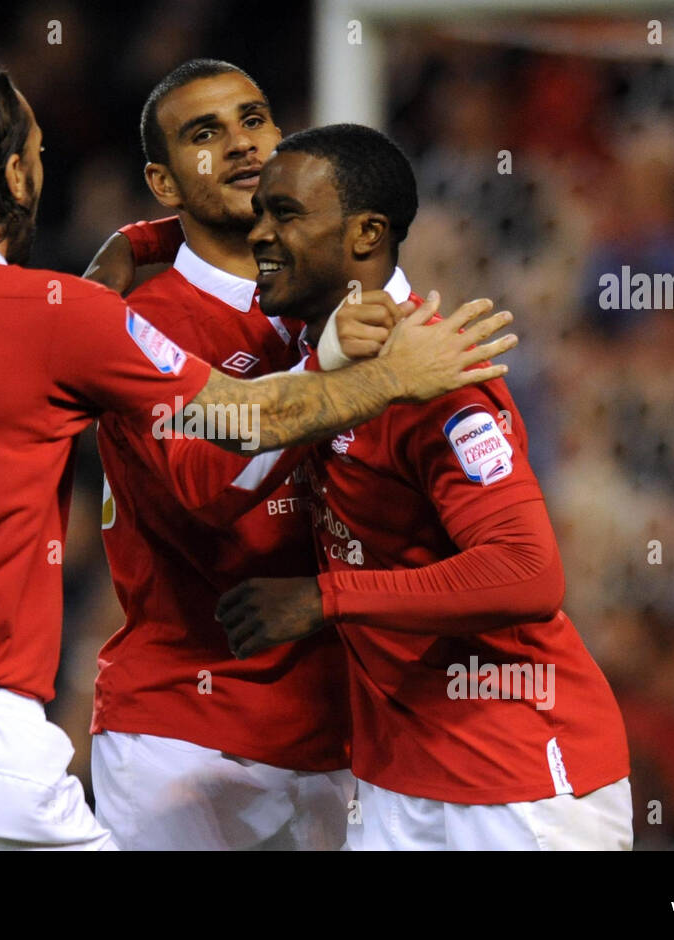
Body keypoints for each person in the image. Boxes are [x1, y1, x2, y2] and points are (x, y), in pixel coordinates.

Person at [0, 53, 518, 850]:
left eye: (254, 121)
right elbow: (245, 420)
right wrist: (389, 375)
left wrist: (139, 242)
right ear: (13, 175)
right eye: (38, 153)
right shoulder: (65, 313)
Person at [217, 124, 632, 850]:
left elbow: (529, 571)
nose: (260, 233)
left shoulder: (435, 378)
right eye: (260, 212)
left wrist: (327, 599)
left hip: (517, 783)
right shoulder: (324, 368)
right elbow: (215, 444)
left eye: (286, 214)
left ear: (366, 235)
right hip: (395, 784)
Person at [86, 59, 440, 850]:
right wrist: (323, 372)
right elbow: (202, 493)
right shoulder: (143, 324)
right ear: (164, 181)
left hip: (343, 733)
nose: (242, 145)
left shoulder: (332, 297)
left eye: (254, 119)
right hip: (189, 737)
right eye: (204, 134)